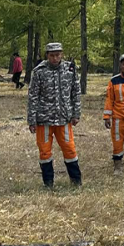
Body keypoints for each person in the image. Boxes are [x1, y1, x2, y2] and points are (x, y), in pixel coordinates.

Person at [27, 42, 83, 188]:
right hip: (44, 119)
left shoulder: (70, 69)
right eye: (52, 55)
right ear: (47, 55)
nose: (55, 58)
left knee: (69, 149)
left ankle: (76, 181)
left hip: (63, 118)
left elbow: (75, 92)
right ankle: (48, 183)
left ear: (62, 54)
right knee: (44, 152)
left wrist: (76, 113)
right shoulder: (39, 71)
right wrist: (32, 120)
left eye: (58, 55)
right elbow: (33, 96)